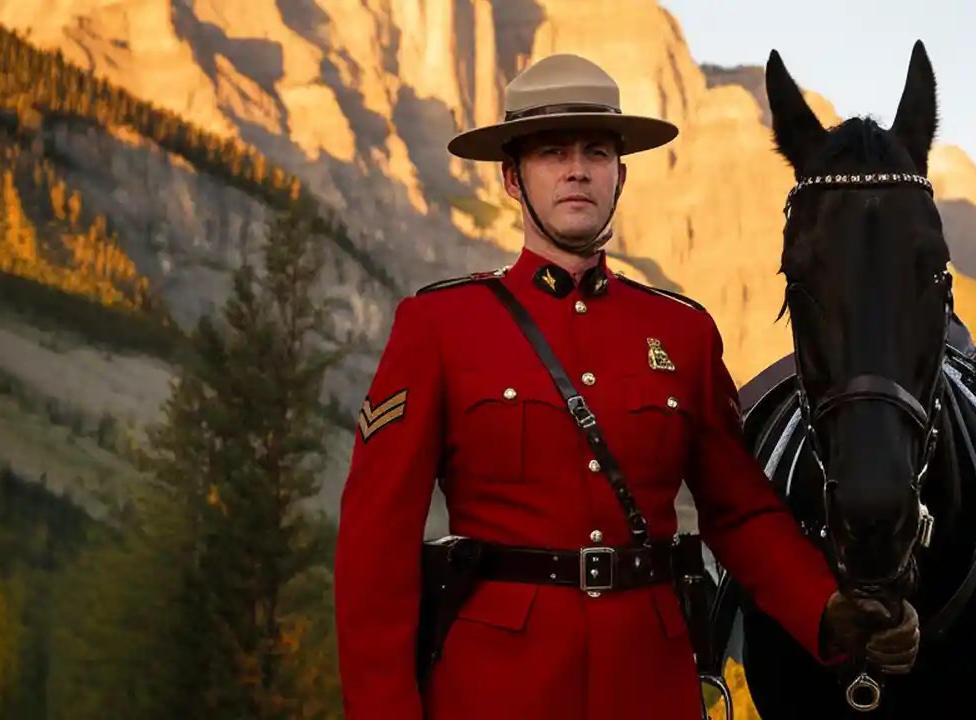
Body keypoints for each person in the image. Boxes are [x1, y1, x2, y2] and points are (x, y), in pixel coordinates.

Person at [333, 53, 921, 720]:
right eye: (552, 151)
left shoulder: (684, 334)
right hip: (492, 689)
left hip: (652, 686)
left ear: (621, 173)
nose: (576, 167)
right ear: (511, 178)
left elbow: (740, 512)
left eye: (595, 151)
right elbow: (373, 556)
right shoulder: (439, 327)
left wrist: (828, 610)